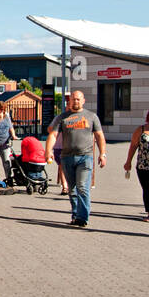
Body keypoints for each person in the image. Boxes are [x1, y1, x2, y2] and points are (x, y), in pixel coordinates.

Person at [45, 90, 105, 228]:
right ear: (69, 101)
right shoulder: (62, 117)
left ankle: (83, 217)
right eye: (73, 99)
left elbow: (99, 136)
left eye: (78, 99)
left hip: (85, 157)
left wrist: (103, 154)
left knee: (82, 187)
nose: (75, 102)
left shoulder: (91, 116)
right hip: (67, 157)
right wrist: (48, 151)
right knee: (72, 189)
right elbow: (53, 135)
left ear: (83, 100)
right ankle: (76, 214)